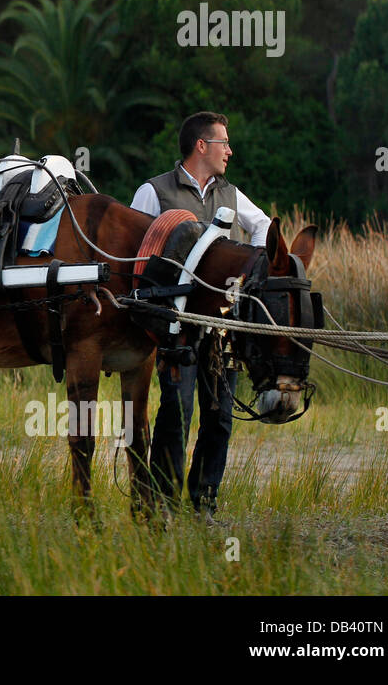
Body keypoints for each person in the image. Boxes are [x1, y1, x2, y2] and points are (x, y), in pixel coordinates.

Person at [130, 111, 272, 523]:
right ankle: (163, 502)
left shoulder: (230, 192)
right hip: (175, 325)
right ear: (201, 146)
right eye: (223, 142)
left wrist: (252, 269)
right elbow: (135, 252)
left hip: (221, 325)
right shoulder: (153, 192)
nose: (229, 150)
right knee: (177, 410)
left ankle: (203, 502)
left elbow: (261, 224)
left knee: (220, 415)